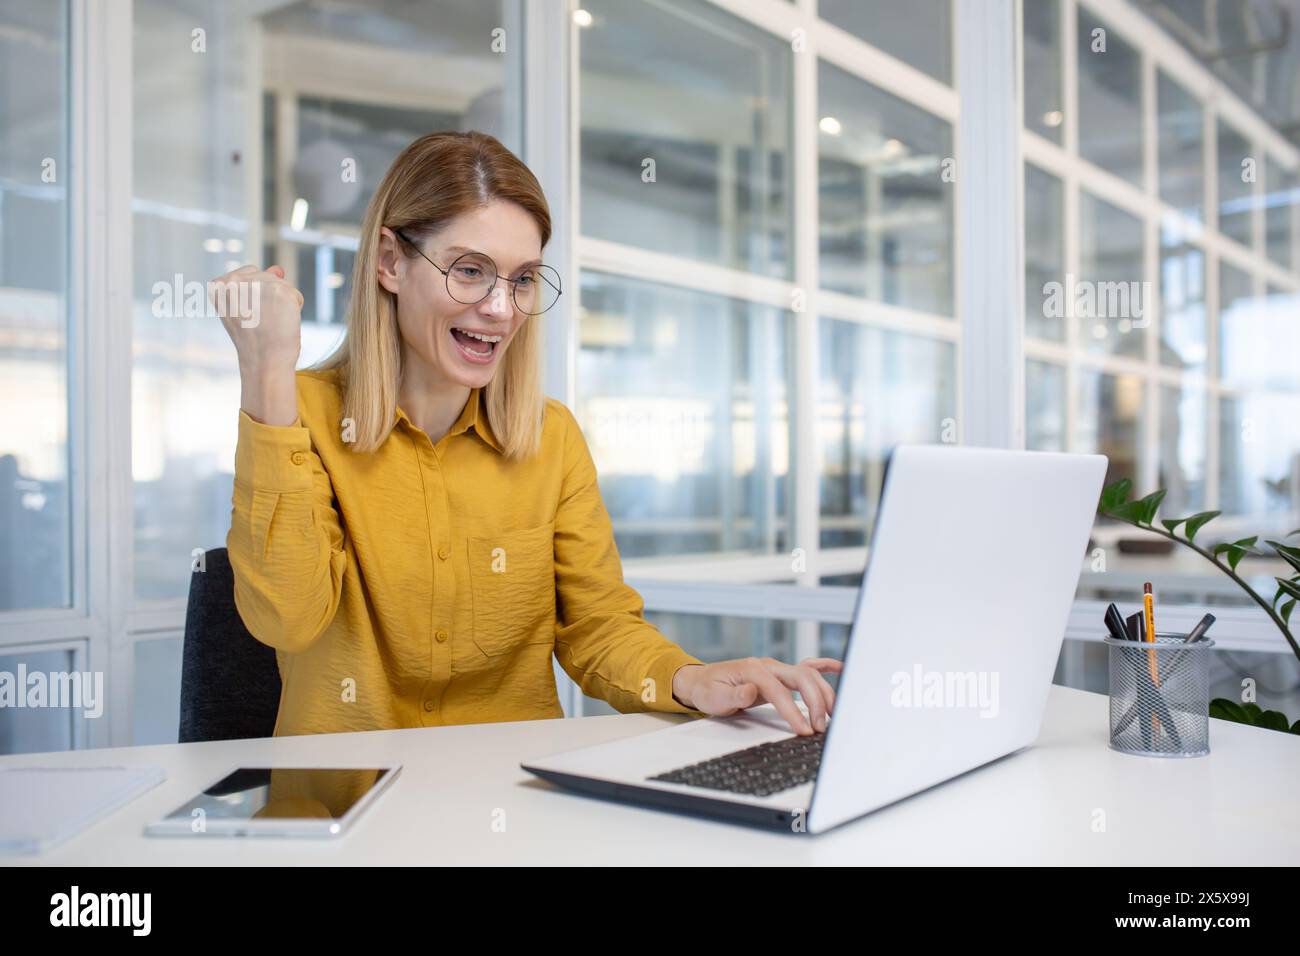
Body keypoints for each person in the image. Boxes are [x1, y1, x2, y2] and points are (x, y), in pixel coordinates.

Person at [211, 129, 839, 740]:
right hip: (346, 819)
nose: (502, 309)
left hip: (512, 812)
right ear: (389, 262)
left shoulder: (551, 438)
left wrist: (693, 679)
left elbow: (596, 627)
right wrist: (267, 373)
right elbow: (286, 620)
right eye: (470, 270)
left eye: (522, 279)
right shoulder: (301, 420)